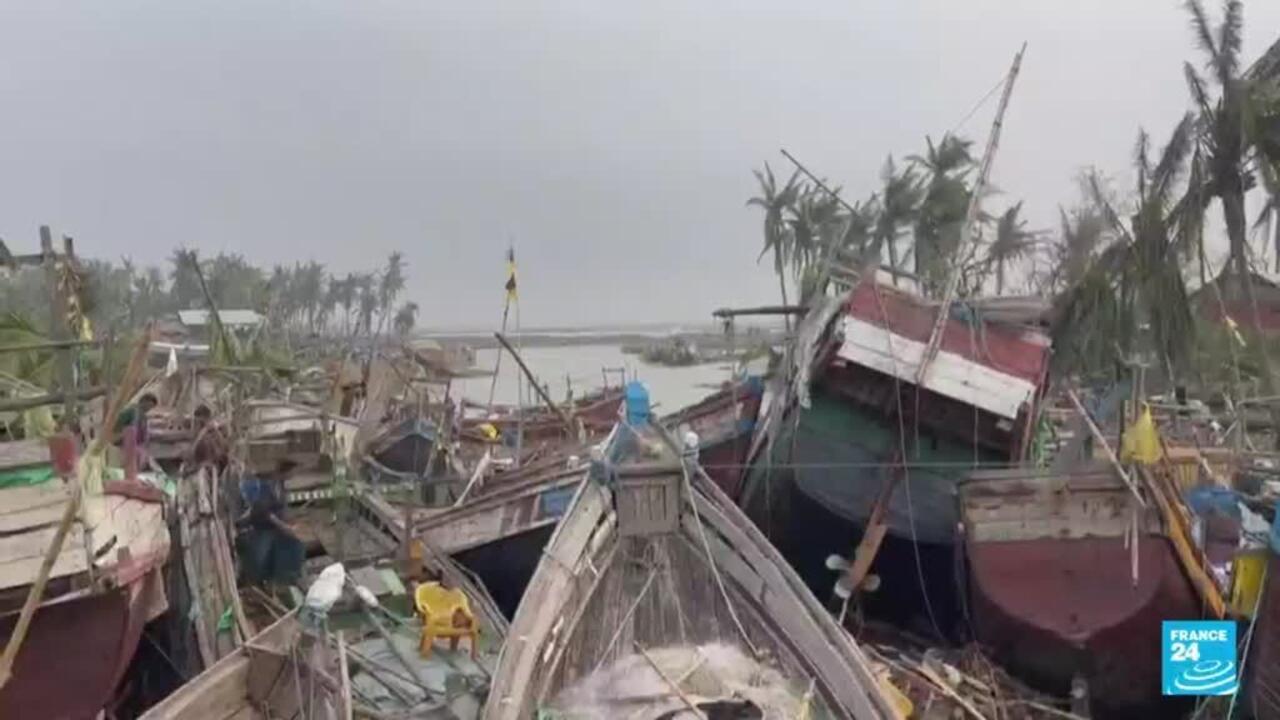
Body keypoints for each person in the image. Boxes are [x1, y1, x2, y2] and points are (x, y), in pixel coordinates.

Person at [236, 459, 304, 588]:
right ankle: (250, 585)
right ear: (287, 470)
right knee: (259, 558)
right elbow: (265, 512)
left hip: (276, 528)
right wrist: (283, 526)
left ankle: (281, 581)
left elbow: (281, 508)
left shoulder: (281, 485)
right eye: (294, 472)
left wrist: (290, 523)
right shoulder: (268, 485)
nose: (294, 475)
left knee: (294, 547)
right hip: (262, 527)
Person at [186, 404, 229, 469]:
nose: (199, 422)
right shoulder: (199, 428)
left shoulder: (218, 427)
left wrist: (214, 430)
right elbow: (194, 445)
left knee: (208, 441)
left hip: (217, 459)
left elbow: (224, 446)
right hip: (201, 459)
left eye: (201, 420)